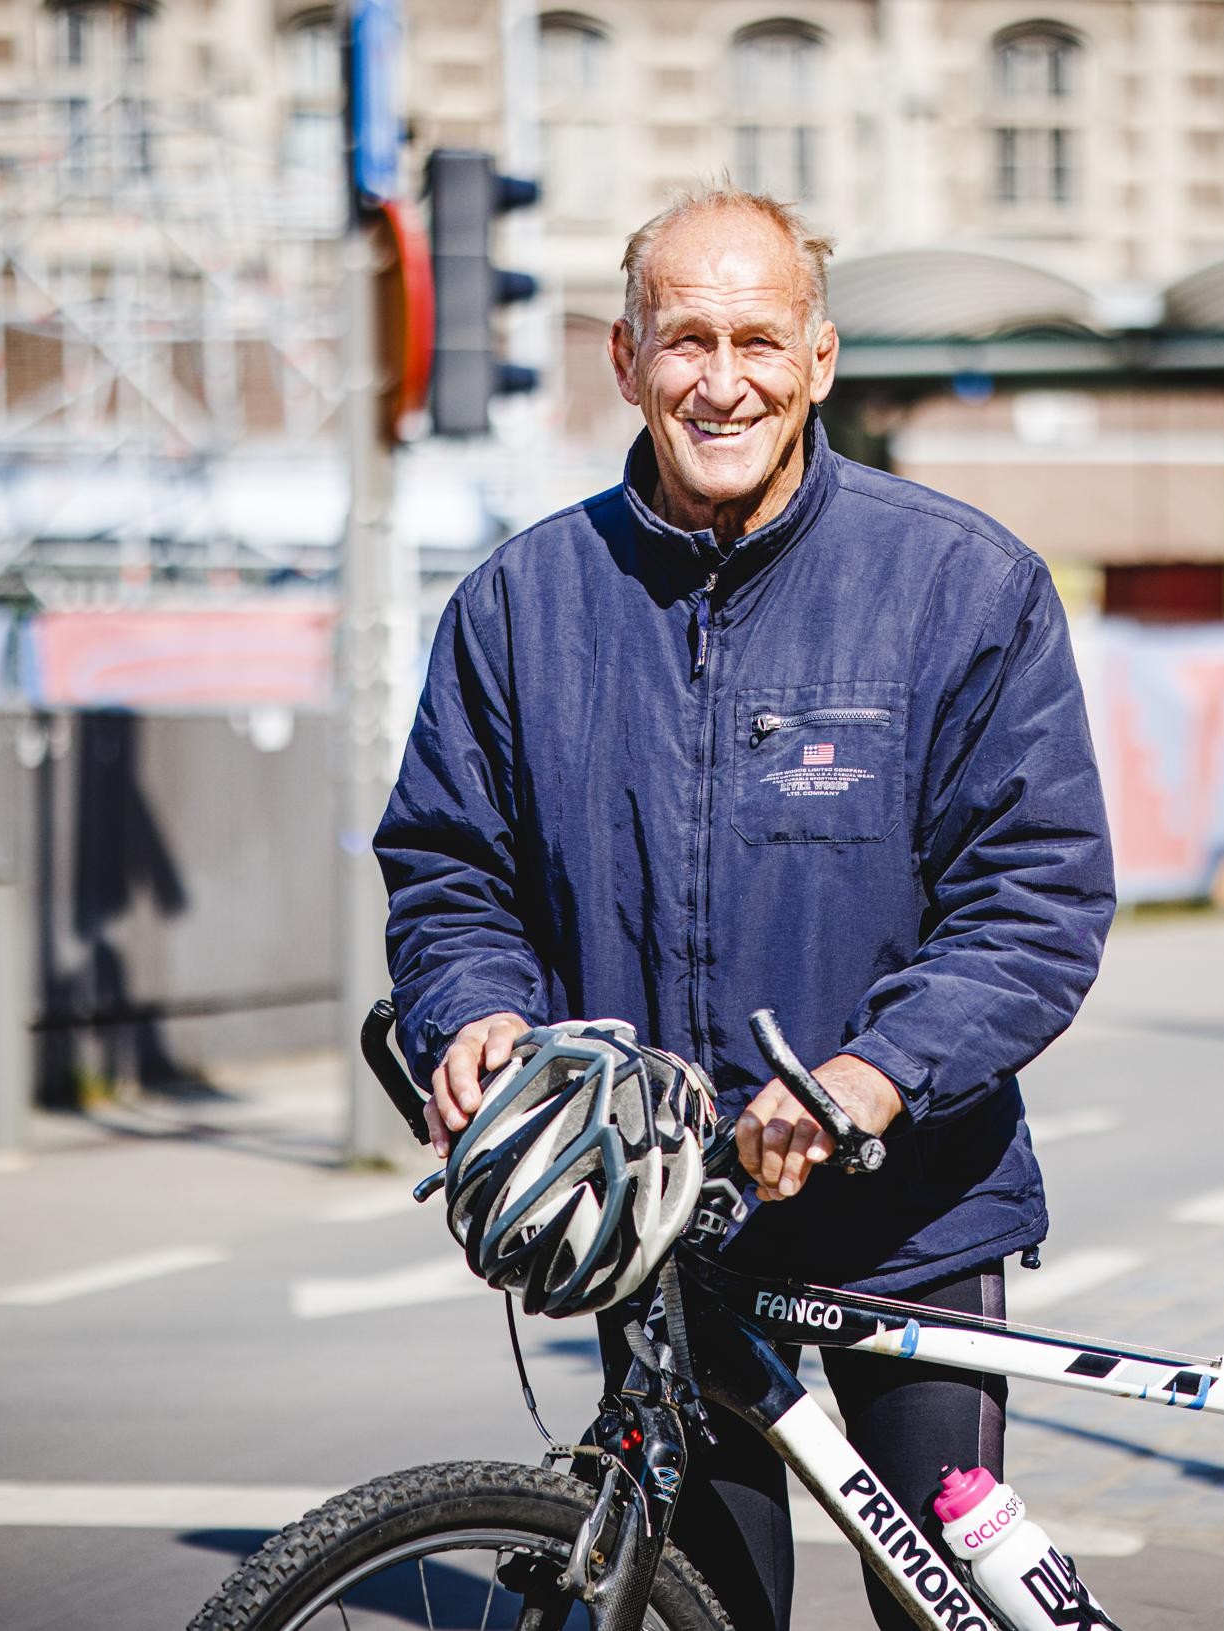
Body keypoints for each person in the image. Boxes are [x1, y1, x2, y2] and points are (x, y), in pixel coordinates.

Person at [375, 186, 1115, 1631]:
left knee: (948, 1612)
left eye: (759, 341)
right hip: (662, 1223)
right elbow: (451, 869)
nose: (725, 382)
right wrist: (473, 1012)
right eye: (687, 341)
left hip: (911, 1214)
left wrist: (870, 1075)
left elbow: (1036, 897)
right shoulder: (523, 606)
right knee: (709, 1609)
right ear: (625, 359)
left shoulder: (962, 587)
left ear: (820, 360)